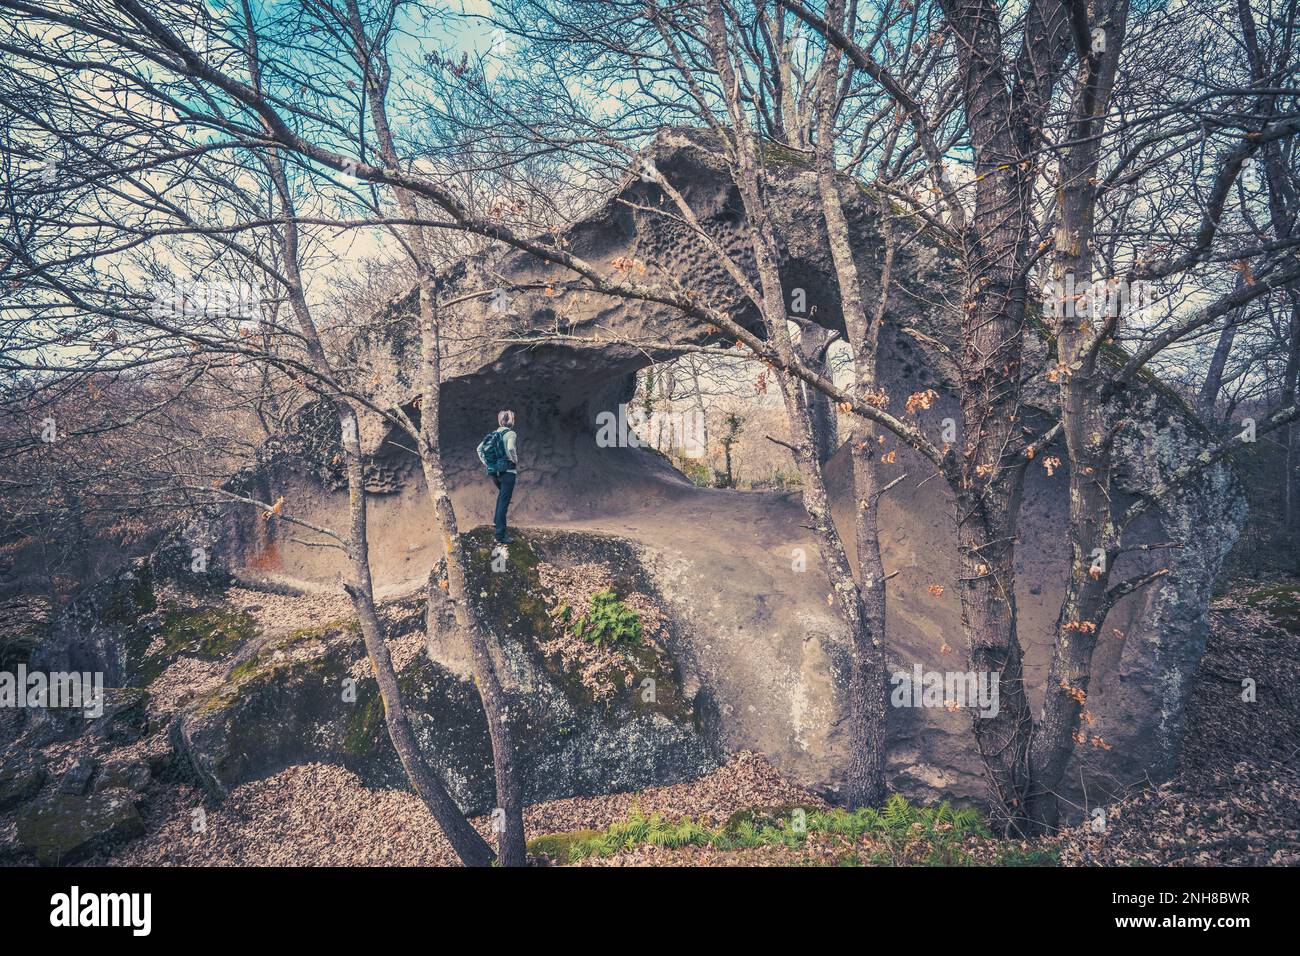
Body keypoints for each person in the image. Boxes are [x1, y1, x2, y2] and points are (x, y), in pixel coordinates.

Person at [477, 409, 518, 544]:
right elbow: (511, 448)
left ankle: (496, 522)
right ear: (511, 421)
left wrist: (488, 463)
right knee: (504, 502)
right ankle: (500, 535)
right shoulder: (511, 433)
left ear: (500, 420)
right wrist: (514, 459)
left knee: (501, 498)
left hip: (495, 473)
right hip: (508, 472)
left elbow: (479, 449)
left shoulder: (493, 434)